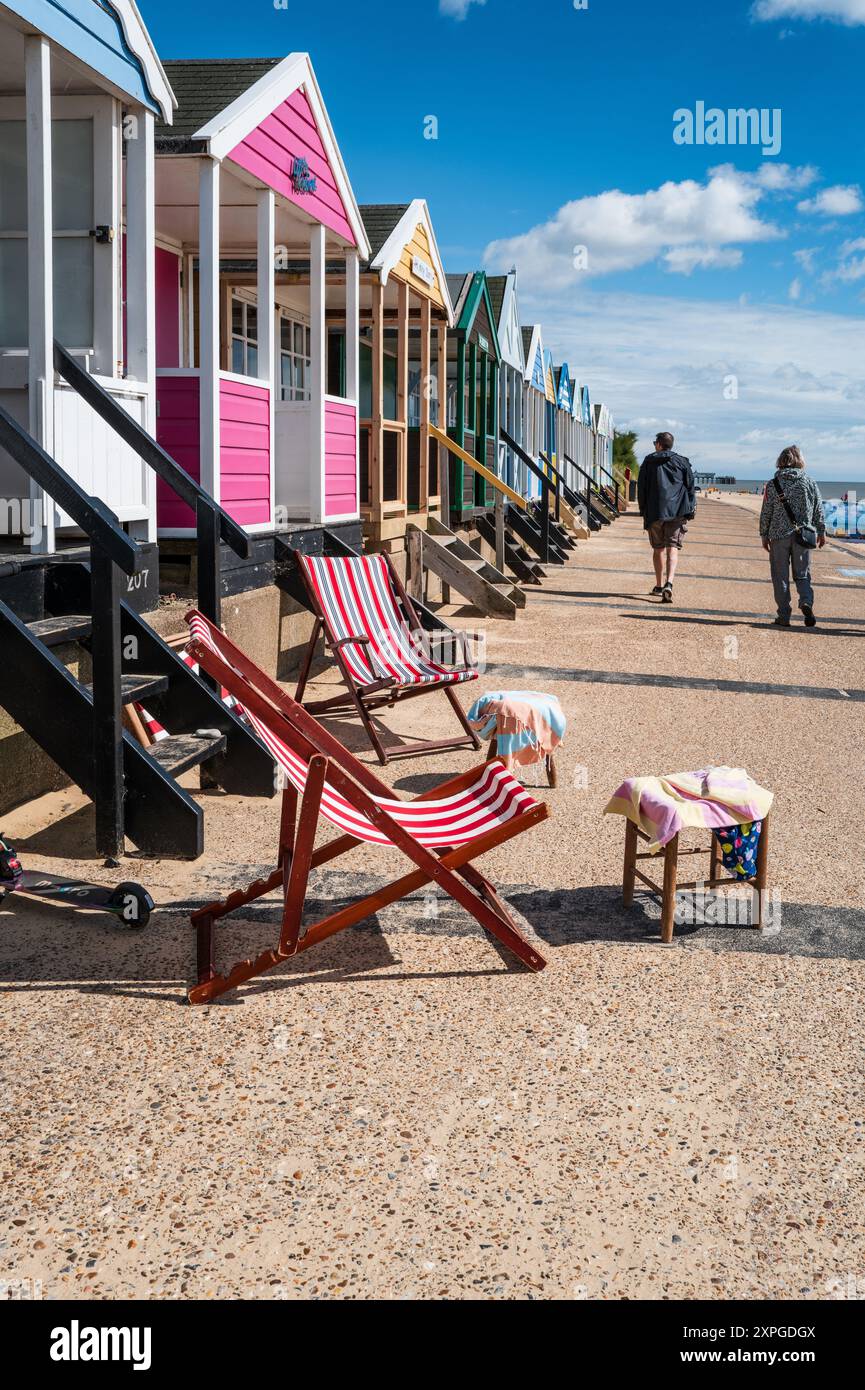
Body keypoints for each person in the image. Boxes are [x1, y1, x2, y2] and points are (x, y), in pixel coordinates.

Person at [759, 445, 826, 628]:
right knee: (802, 574)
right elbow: (818, 509)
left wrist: (763, 534)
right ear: (799, 460)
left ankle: (784, 615)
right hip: (803, 535)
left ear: (780, 461)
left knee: (780, 575)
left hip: (778, 535)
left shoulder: (773, 484)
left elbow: (766, 511)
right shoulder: (809, 481)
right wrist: (821, 531)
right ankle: (806, 601)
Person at [637, 432, 696, 604]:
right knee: (673, 548)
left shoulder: (648, 461)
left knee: (658, 549)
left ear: (659, 445)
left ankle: (658, 585)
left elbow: (641, 488)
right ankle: (668, 583)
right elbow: (690, 487)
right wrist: (690, 509)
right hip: (677, 512)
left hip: (655, 512)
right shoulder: (683, 461)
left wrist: (643, 510)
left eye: (655, 442)